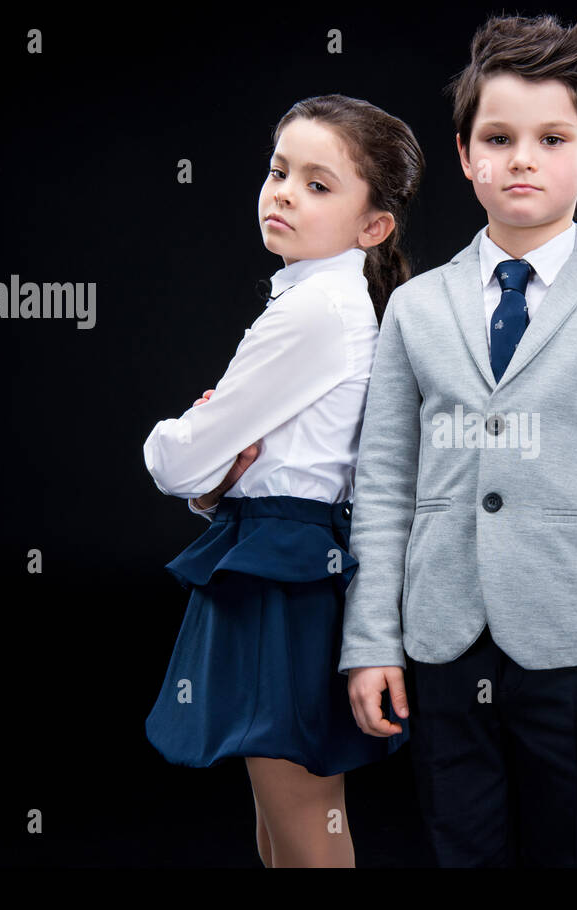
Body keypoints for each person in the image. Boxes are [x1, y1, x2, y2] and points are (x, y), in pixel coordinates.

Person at [339, 9, 577, 867]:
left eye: (551, 137)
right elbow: (383, 482)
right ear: (464, 155)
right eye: (497, 137)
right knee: (462, 849)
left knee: (575, 850)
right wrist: (372, 638)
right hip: (444, 643)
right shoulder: (417, 308)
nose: (521, 158)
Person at [142, 94, 423, 867]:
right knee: (281, 825)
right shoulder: (321, 302)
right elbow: (224, 474)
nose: (284, 192)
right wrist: (214, 477)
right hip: (281, 561)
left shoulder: (317, 313)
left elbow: (178, 458)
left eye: (318, 183)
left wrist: (185, 443)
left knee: (303, 828)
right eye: (278, 171)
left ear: (374, 227)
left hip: (283, 581)